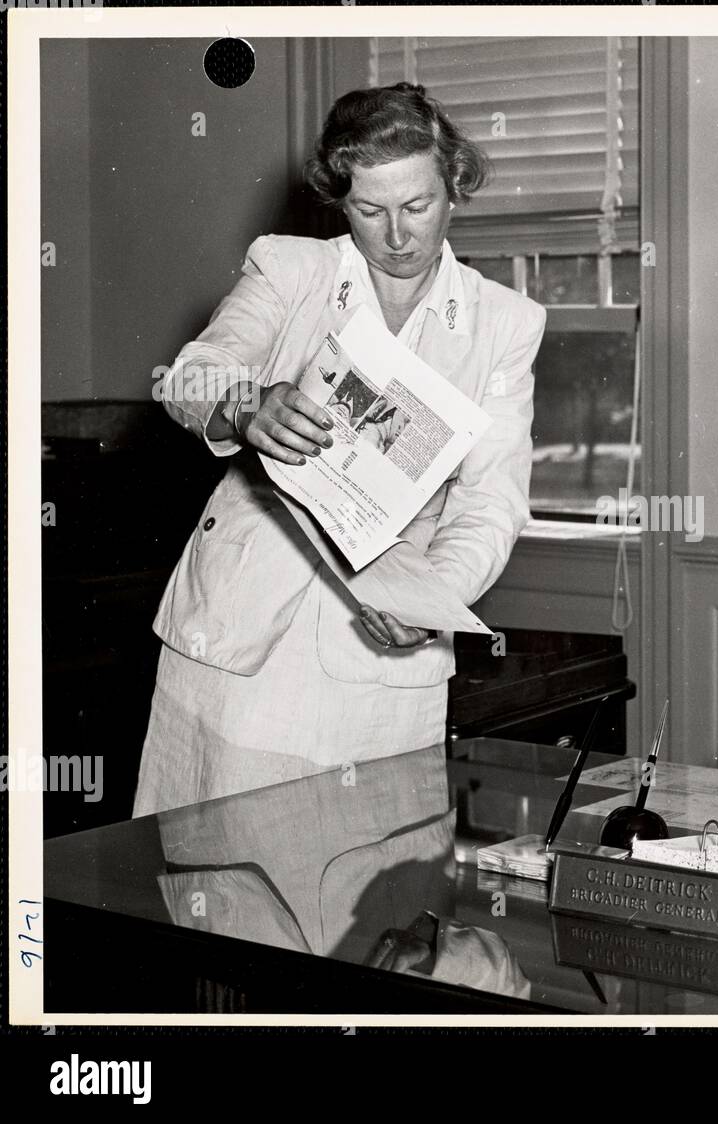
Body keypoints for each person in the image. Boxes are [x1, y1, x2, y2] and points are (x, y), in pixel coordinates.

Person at [133, 83, 546, 817]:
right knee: (212, 892)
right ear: (339, 199)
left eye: (416, 206)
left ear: (454, 183)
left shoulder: (503, 324)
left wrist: (436, 599)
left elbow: (492, 498)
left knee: (372, 910)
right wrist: (244, 401)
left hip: (383, 667)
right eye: (369, 209)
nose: (396, 236)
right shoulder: (292, 270)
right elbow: (190, 373)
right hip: (238, 654)